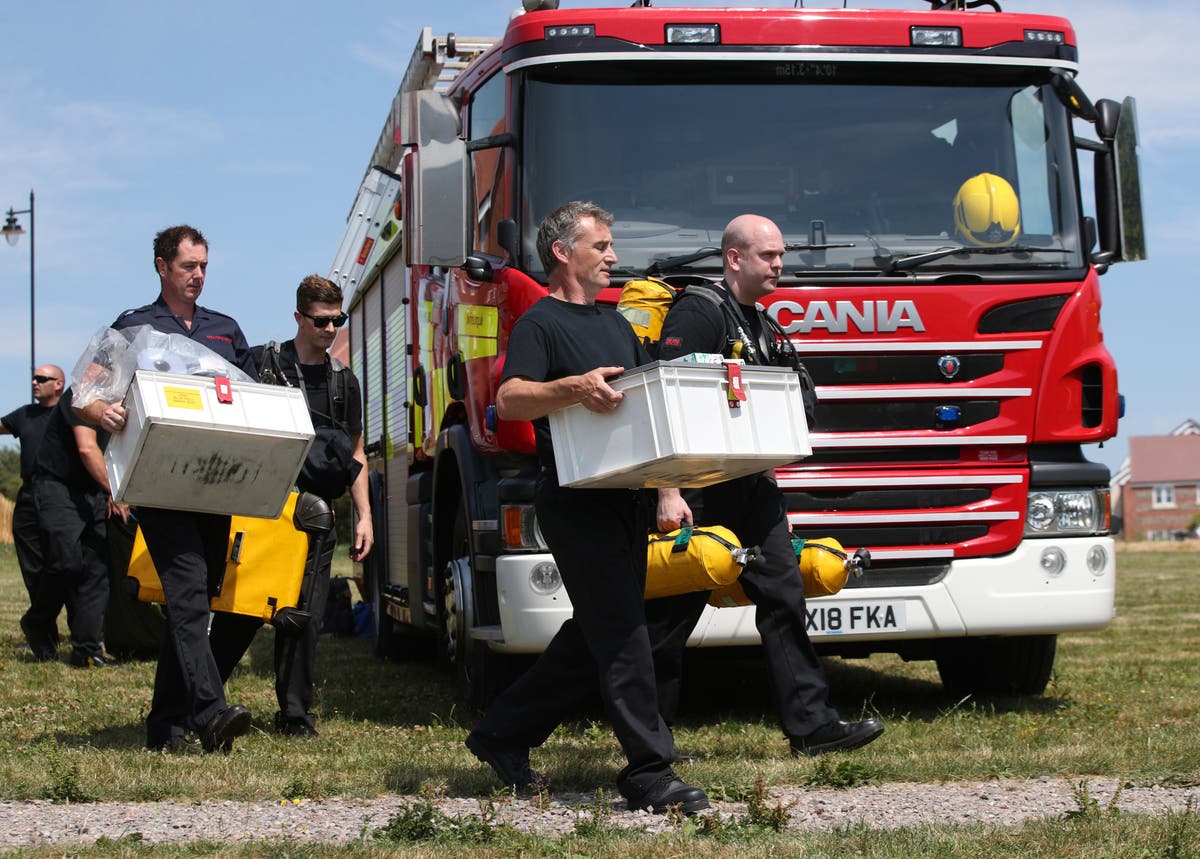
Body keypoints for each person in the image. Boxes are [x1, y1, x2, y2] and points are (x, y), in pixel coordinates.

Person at [464, 201, 708, 816]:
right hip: (575, 503)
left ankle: (501, 733)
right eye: (601, 245)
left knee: (597, 632)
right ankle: (650, 770)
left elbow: (650, 411)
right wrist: (573, 388)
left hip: (627, 499)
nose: (613, 257)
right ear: (563, 253)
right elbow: (512, 400)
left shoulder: (617, 326)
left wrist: (669, 489)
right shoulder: (539, 326)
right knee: (622, 632)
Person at [645, 214, 886, 757]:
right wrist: (667, 491)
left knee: (784, 595)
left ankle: (813, 727)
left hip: (752, 485)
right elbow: (666, 403)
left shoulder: (761, 323)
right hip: (698, 485)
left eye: (780, 255)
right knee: (671, 615)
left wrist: (773, 490)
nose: (780, 265)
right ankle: (650, 740)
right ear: (735, 258)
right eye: (768, 256)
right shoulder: (699, 311)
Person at [76, 224, 258, 753]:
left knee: (197, 597)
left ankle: (165, 725)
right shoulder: (133, 327)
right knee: (186, 593)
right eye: (187, 266)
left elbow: (250, 400)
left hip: (217, 485)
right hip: (158, 484)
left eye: (203, 265)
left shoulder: (226, 330)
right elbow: (81, 395)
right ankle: (211, 712)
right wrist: (102, 410)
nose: (198, 275)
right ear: (161, 267)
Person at [209, 274, 373, 737]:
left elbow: (356, 454)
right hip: (262, 509)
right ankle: (200, 702)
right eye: (321, 321)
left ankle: (295, 716)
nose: (330, 330)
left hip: (317, 515)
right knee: (240, 609)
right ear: (299, 317)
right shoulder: (263, 363)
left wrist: (365, 516)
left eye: (337, 321)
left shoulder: (345, 382)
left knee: (305, 617)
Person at [22, 386, 126, 667]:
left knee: (96, 572)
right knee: (66, 562)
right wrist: (118, 492)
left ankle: (87, 651)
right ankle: (37, 621)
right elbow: (86, 446)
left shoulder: (125, 399)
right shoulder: (82, 394)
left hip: (92, 490)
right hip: (58, 486)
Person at [2, 365, 66, 657]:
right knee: (33, 568)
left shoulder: (71, 413)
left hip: (62, 494)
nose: (35, 382)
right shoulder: (24, 414)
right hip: (28, 495)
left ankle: (44, 623)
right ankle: (44, 638)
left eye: (42, 378)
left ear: (59, 384)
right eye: (34, 377)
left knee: (65, 564)